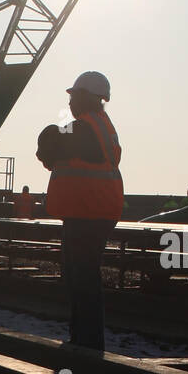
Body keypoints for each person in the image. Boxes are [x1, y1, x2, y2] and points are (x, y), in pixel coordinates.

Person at [36, 71, 123, 351]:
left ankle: (87, 343)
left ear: (87, 97)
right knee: (81, 276)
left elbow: (51, 140)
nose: (71, 102)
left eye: (74, 96)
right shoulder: (100, 126)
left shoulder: (85, 128)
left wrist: (49, 143)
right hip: (91, 211)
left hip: (88, 213)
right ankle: (83, 339)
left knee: (82, 278)